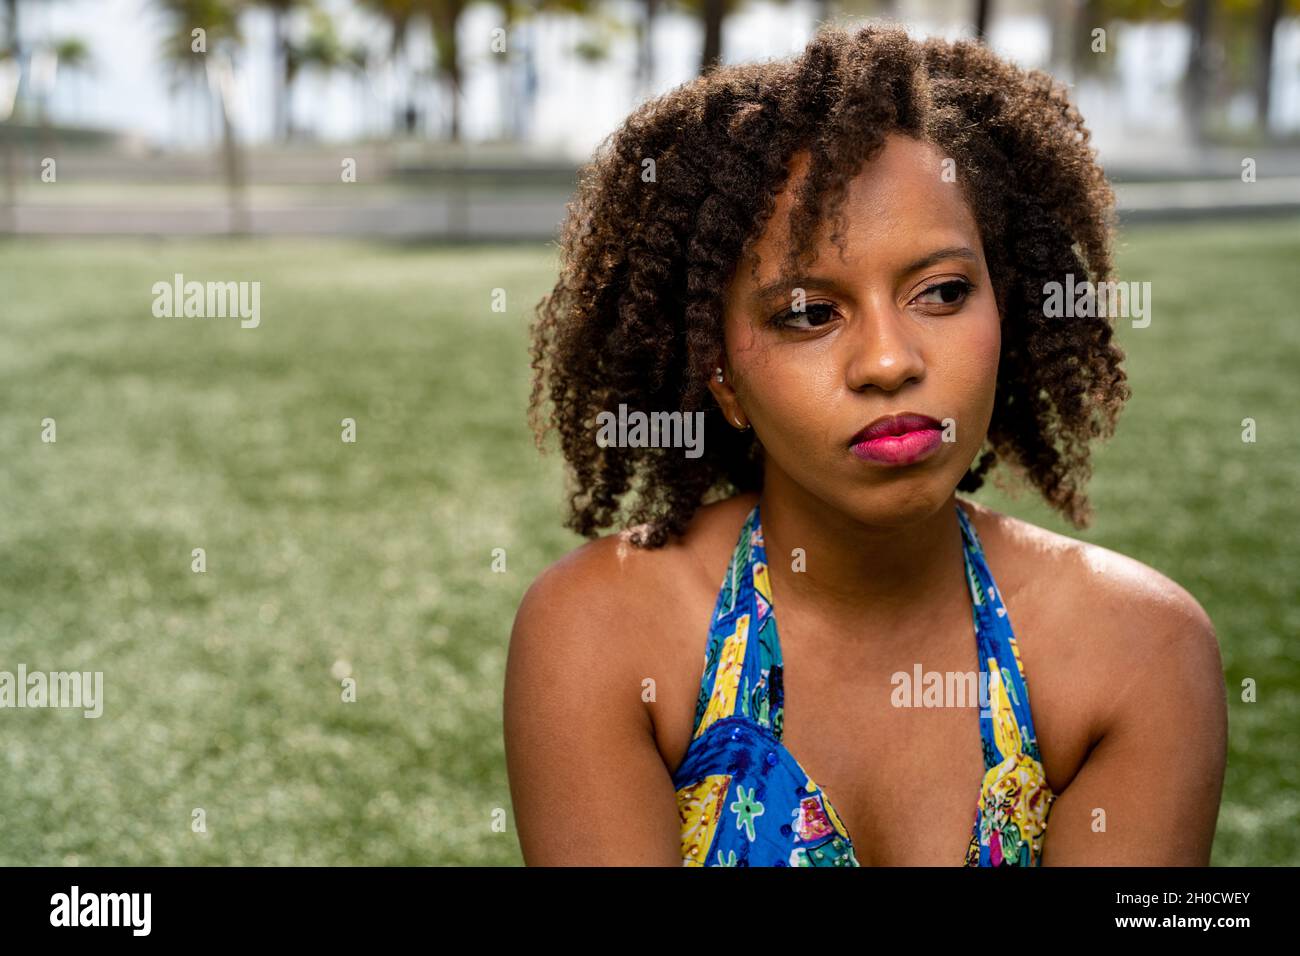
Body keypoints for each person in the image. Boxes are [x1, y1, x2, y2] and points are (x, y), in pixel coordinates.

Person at [503, 24, 1227, 866]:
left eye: (942, 292)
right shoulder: (600, 636)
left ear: (1011, 310)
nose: (890, 362)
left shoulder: (1139, 649)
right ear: (720, 376)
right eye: (809, 313)